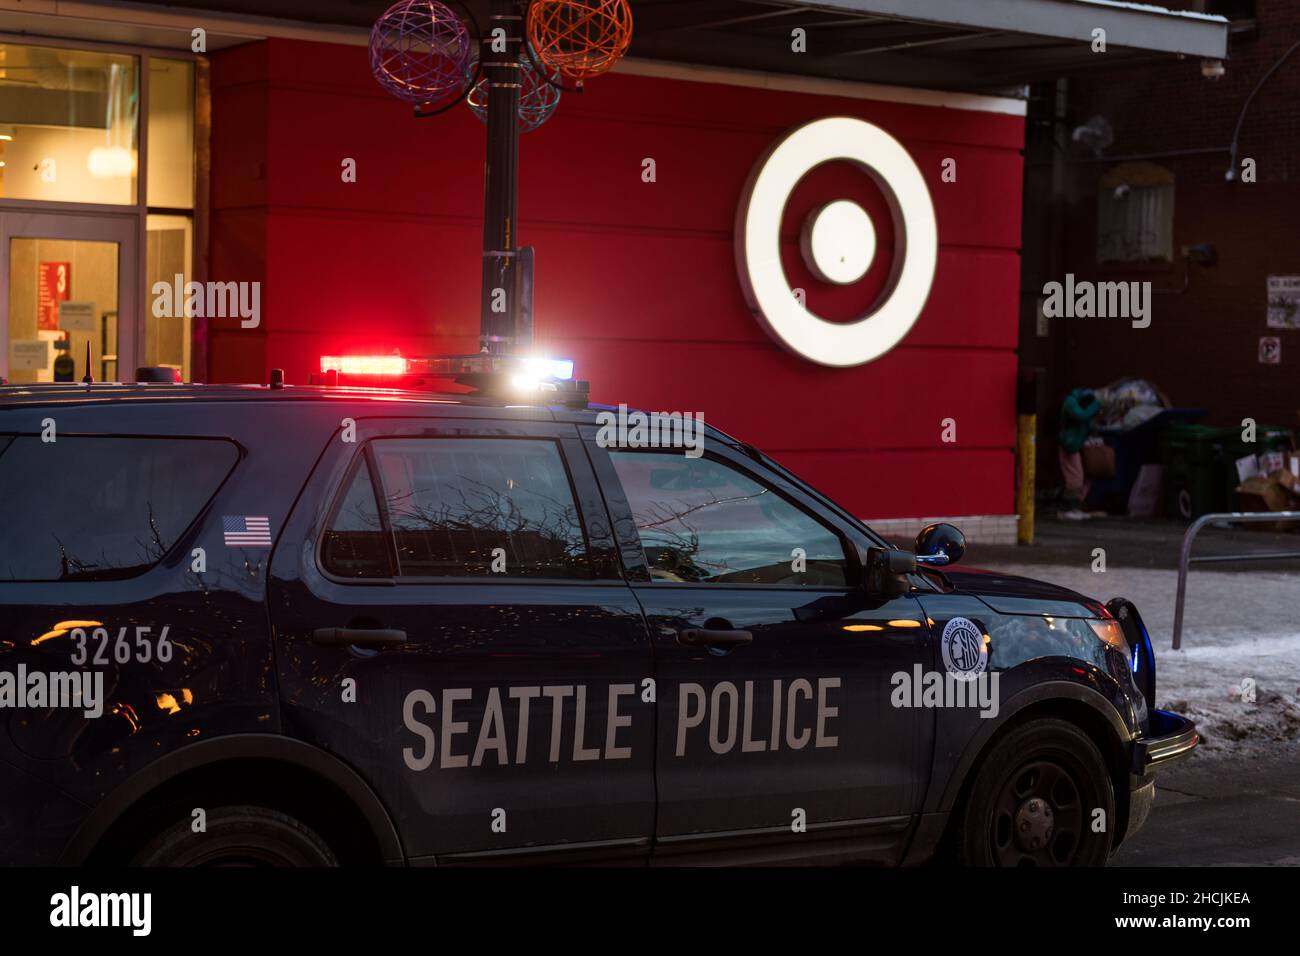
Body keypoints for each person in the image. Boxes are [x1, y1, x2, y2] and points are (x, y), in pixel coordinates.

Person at [1058, 387, 1101, 520]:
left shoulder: (1075, 403)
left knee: (1078, 475)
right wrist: (1096, 405)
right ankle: (1069, 509)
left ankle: (1073, 507)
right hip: (1069, 444)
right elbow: (1082, 416)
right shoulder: (1070, 402)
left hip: (1075, 444)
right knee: (1075, 476)